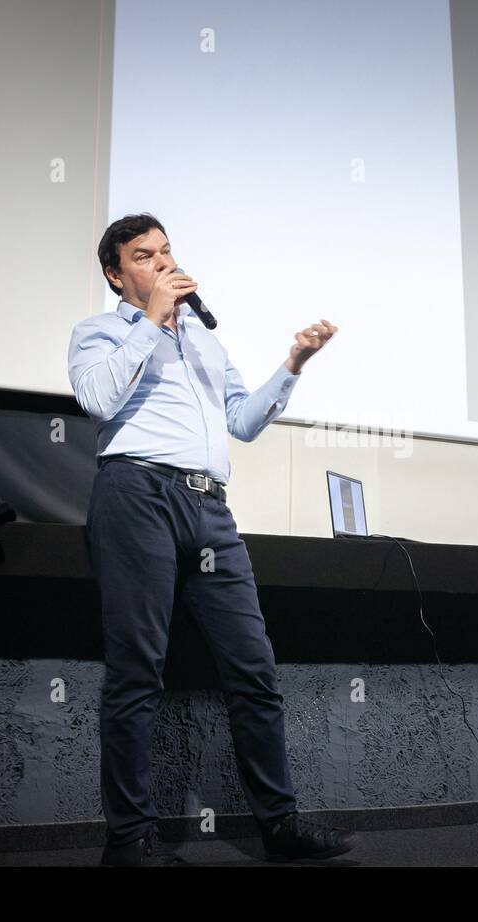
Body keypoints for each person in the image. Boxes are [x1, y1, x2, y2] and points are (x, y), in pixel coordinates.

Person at [68, 213, 355, 866]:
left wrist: (292, 366)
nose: (164, 263)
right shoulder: (98, 334)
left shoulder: (203, 340)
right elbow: (96, 400)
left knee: (253, 668)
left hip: (209, 508)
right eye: (145, 256)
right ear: (117, 275)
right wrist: (151, 324)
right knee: (138, 670)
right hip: (136, 494)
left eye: (167, 251)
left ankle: (279, 826)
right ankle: (130, 841)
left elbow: (242, 423)